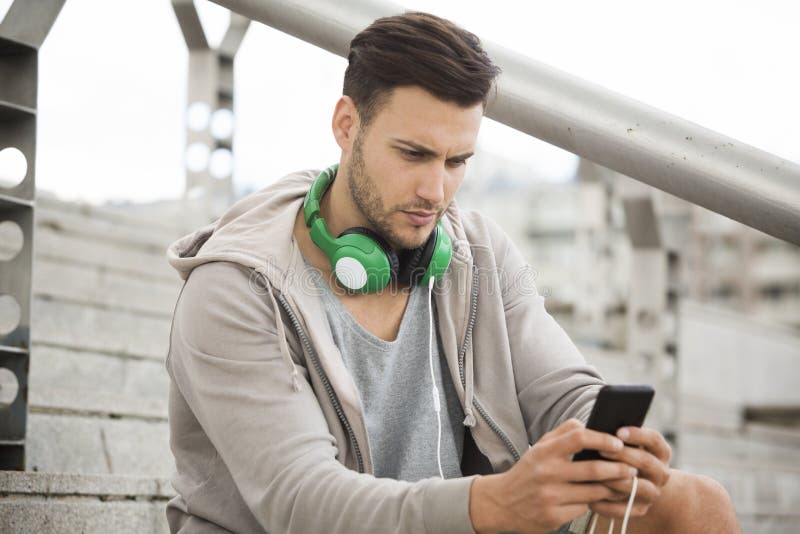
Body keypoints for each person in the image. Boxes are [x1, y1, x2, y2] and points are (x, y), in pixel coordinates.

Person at [164, 11, 740, 534]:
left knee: (696, 503)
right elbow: (302, 502)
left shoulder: (475, 251)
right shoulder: (235, 289)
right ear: (346, 124)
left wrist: (609, 444)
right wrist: (490, 504)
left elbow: (561, 390)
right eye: (413, 154)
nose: (435, 192)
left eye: (456, 161)